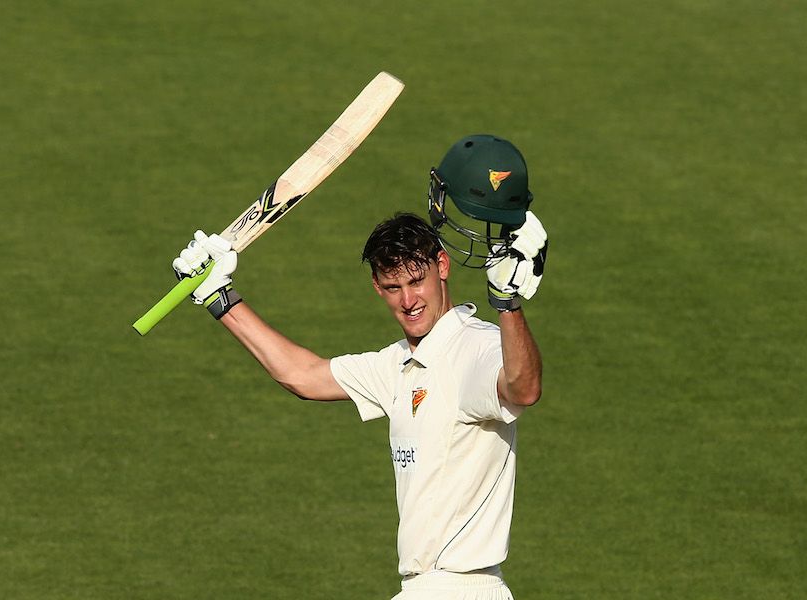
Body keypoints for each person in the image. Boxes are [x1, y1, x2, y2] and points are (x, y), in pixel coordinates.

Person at [172, 134, 548, 600]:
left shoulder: (475, 346)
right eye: (394, 287)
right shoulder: (399, 365)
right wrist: (219, 298)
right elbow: (304, 376)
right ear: (377, 287)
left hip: (461, 588)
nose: (409, 300)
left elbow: (522, 387)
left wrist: (506, 304)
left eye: (417, 281)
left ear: (442, 267)